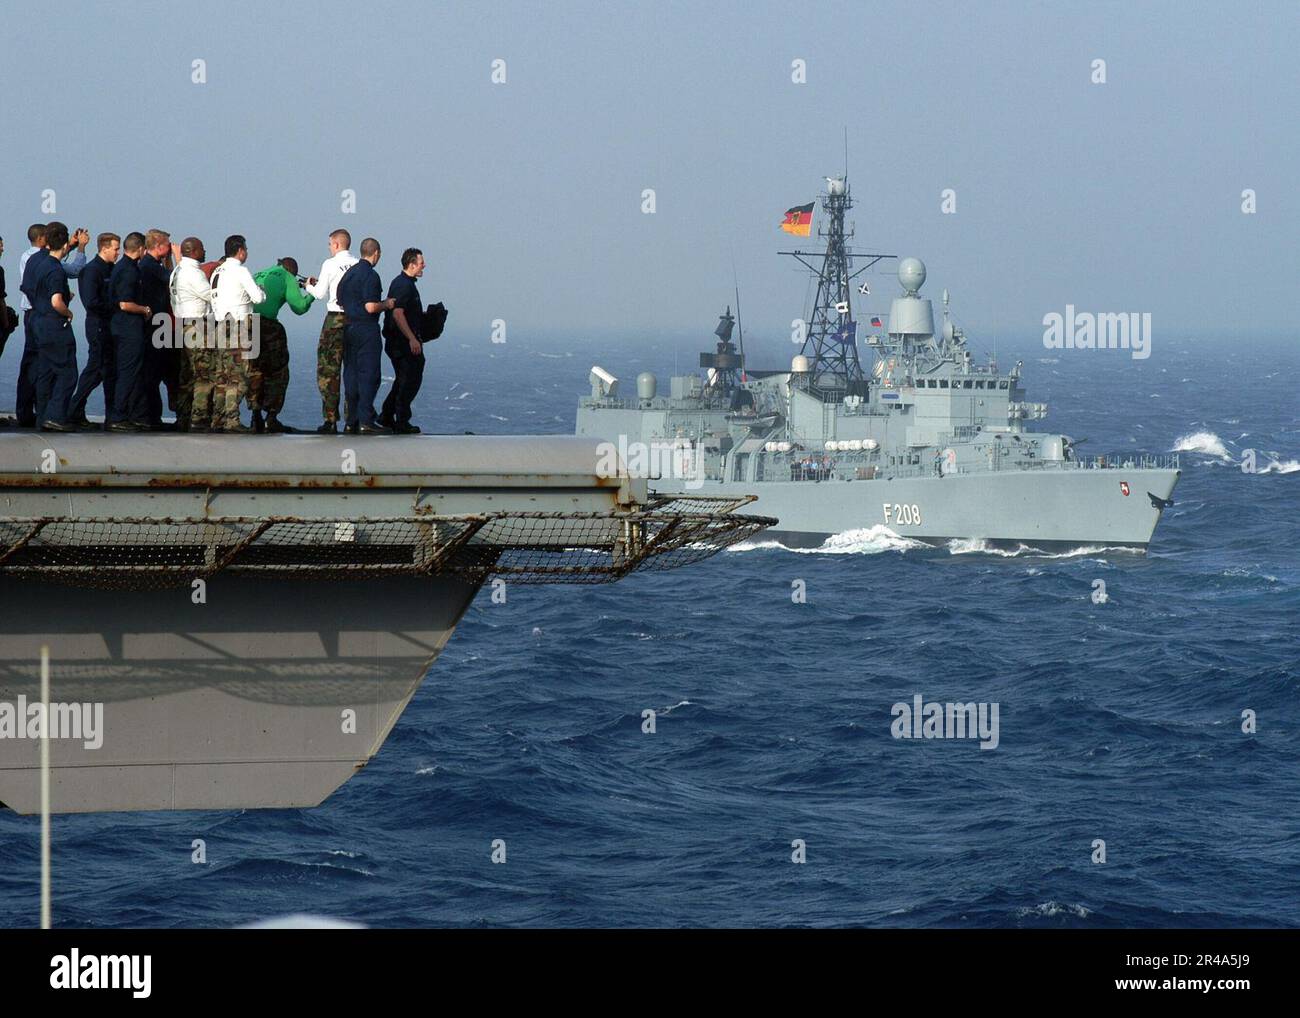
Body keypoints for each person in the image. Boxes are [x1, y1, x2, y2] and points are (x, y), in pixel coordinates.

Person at [15, 223, 88, 426]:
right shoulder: (54, 268)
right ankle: (55, 416)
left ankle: (40, 416)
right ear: (64, 243)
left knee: (43, 369)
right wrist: (67, 310)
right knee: (67, 371)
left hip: (35, 318)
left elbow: (27, 288)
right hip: (53, 321)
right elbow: (58, 297)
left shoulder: (34, 261)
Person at [335, 237, 394, 435]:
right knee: (369, 375)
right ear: (376, 253)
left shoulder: (349, 274)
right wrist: (386, 304)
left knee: (350, 374)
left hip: (348, 327)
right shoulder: (371, 276)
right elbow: (370, 306)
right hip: (366, 328)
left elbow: (340, 300)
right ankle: (366, 420)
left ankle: (351, 420)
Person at [208, 235, 265, 434]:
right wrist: (262, 291)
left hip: (220, 324)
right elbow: (258, 297)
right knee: (239, 375)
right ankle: (232, 419)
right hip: (239, 325)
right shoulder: (240, 271)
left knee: (222, 376)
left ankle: (218, 418)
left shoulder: (217, 271)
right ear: (240, 251)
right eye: (245, 249)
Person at [249, 256, 314, 433]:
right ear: (292, 270)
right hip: (268, 326)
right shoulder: (287, 277)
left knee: (255, 369)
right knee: (278, 371)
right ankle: (271, 417)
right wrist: (312, 294)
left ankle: (255, 417)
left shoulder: (258, 274)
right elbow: (299, 307)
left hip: (247, 325)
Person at [304, 229, 357, 433]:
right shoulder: (358, 264)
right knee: (352, 369)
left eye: (329, 244)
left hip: (334, 319)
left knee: (328, 370)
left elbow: (319, 294)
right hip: (354, 320)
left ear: (336, 245)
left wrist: (308, 285)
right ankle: (352, 419)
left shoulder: (330, 264)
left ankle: (330, 419)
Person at [68, 233, 121, 428]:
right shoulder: (92, 271)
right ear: (104, 248)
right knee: (96, 369)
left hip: (109, 325)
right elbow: (91, 302)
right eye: (115, 248)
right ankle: (73, 410)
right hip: (98, 324)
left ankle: (107, 414)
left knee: (107, 370)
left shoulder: (112, 270)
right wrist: (117, 307)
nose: (118, 252)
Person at [107, 233, 153, 431]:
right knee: (128, 372)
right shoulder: (129, 271)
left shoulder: (120, 267)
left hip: (119, 327)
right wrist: (145, 309)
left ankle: (127, 413)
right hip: (129, 328)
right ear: (141, 249)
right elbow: (125, 304)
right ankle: (118, 415)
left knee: (128, 371)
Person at [378, 248, 427, 434]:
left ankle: (387, 416)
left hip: (400, 342)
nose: (424, 266)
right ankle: (401, 420)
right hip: (402, 343)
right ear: (412, 264)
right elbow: (398, 314)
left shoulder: (405, 284)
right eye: (421, 263)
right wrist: (412, 339)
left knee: (403, 379)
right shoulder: (404, 285)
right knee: (409, 379)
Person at [169, 237, 213, 432]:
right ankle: (199, 417)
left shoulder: (177, 271)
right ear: (194, 251)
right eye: (202, 248)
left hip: (182, 323)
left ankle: (183, 415)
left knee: (186, 374)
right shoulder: (194, 273)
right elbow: (211, 295)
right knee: (203, 374)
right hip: (197, 325)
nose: (205, 251)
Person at [138, 229, 179, 426]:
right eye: (168, 244)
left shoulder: (152, 265)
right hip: (155, 325)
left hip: (158, 324)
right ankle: (151, 416)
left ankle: (152, 415)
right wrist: (180, 259)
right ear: (159, 246)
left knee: (157, 372)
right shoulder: (149, 265)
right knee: (153, 373)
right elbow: (174, 281)